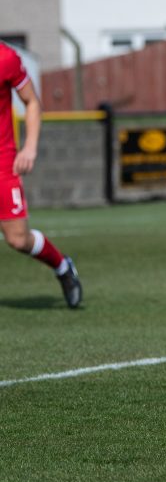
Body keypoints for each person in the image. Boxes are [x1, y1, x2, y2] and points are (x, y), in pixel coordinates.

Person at [0, 42, 82, 308]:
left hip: (3, 163)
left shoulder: (6, 58)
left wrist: (30, 148)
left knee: (18, 239)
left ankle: (61, 265)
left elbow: (32, 101)